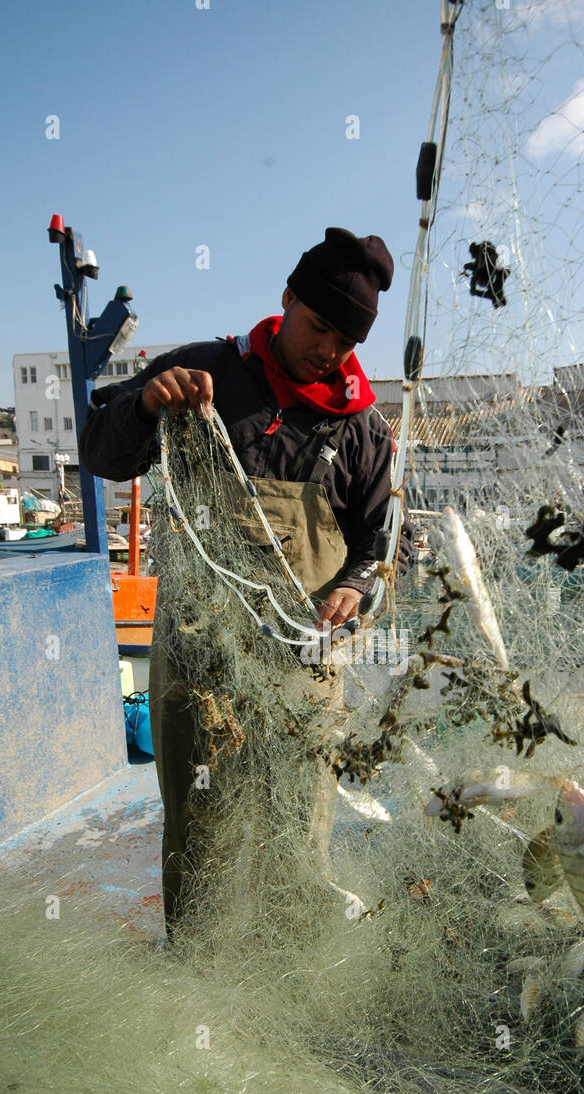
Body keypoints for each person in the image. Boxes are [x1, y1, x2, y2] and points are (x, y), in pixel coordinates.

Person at [80, 227, 410, 934]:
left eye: (346, 341)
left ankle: (290, 972)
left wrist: (354, 587)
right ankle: (197, 972)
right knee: (201, 834)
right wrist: (145, 407)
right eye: (319, 326)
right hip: (199, 663)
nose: (329, 350)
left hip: (302, 671)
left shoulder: (364, 431)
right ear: (287, 299)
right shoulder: (207, 373)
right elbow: (101, 452)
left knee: (297, 830)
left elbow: (383, 545)